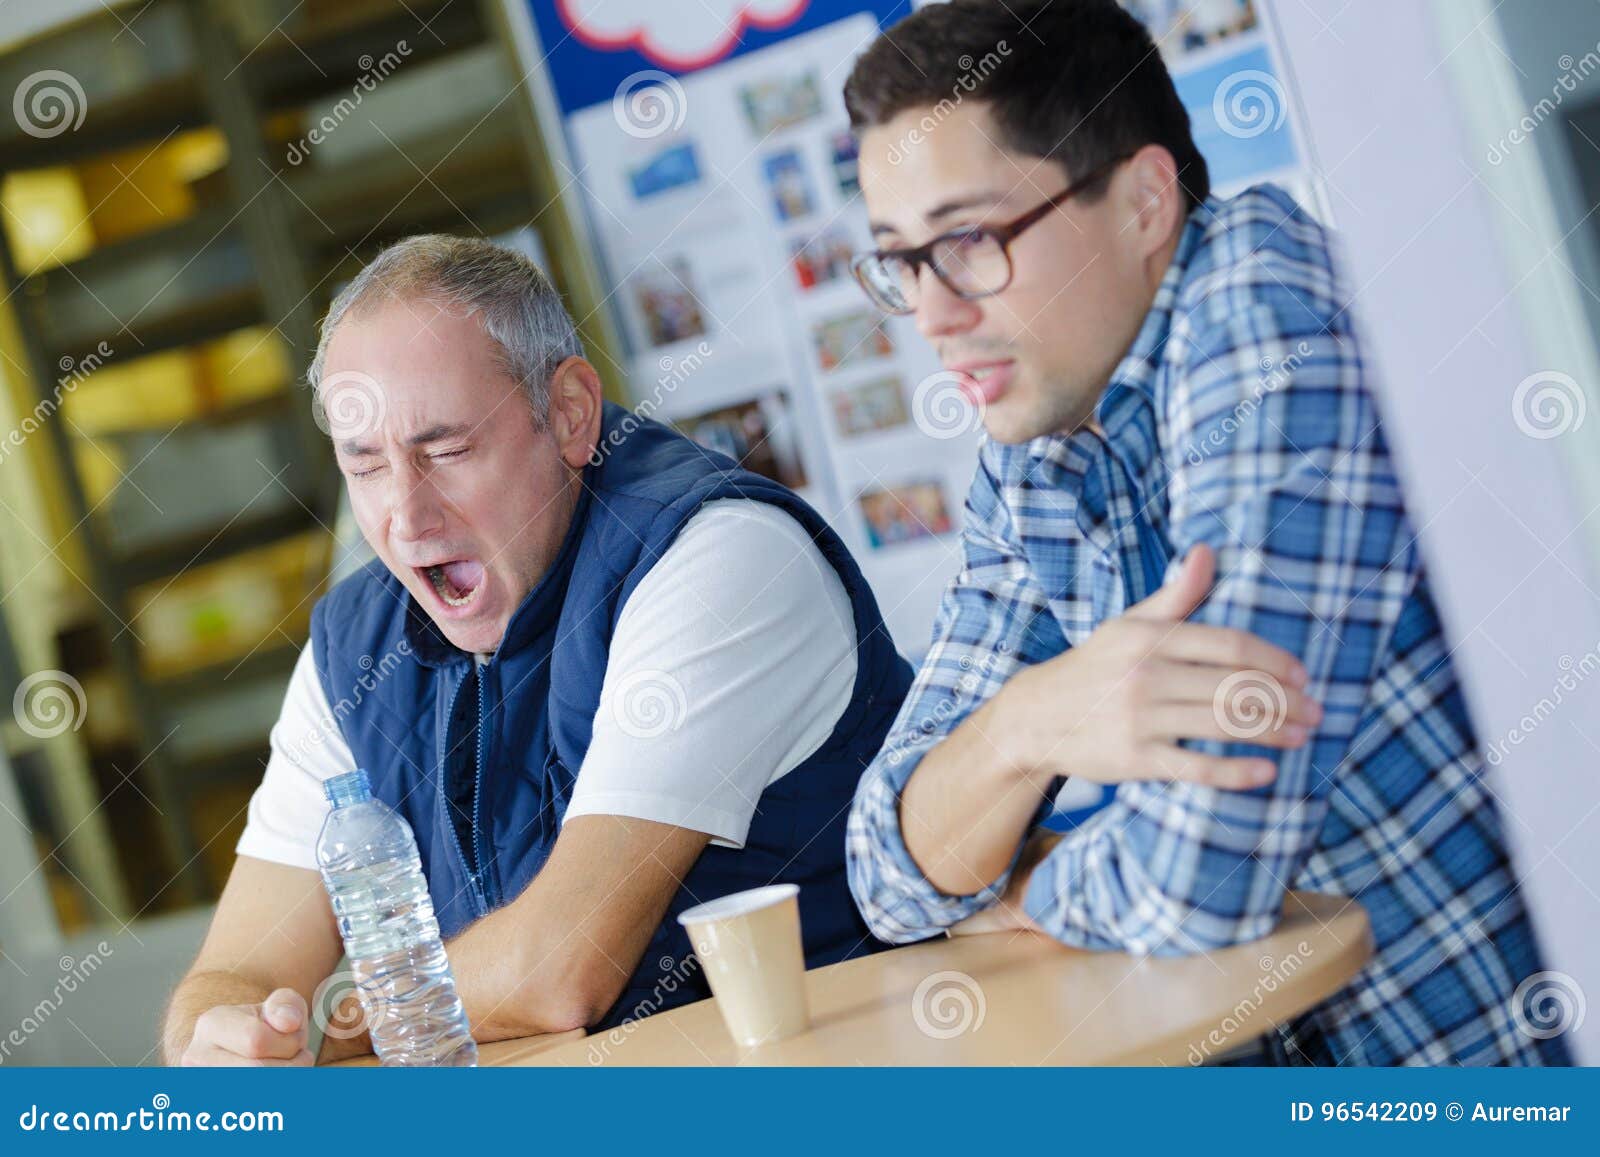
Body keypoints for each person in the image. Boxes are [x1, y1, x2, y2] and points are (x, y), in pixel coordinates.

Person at [842, 0, 1568, 1065]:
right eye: (901, 262)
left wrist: (1030, 875)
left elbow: (1201, 877)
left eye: (967, 241)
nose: (934, 315)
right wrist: (1024, 723)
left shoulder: (1265, 306)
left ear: (1142, 203)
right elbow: (884, 869)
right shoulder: (1033, 438)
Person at [161, 234, 916, 1065]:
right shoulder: (357, 643)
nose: (406, 519)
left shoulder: (716, 555)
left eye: (445, 450)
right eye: (366, 465)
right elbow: (234, 971)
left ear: (569, 414)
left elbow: (560, 967)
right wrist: (228, 1036)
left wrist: (331, 1025)